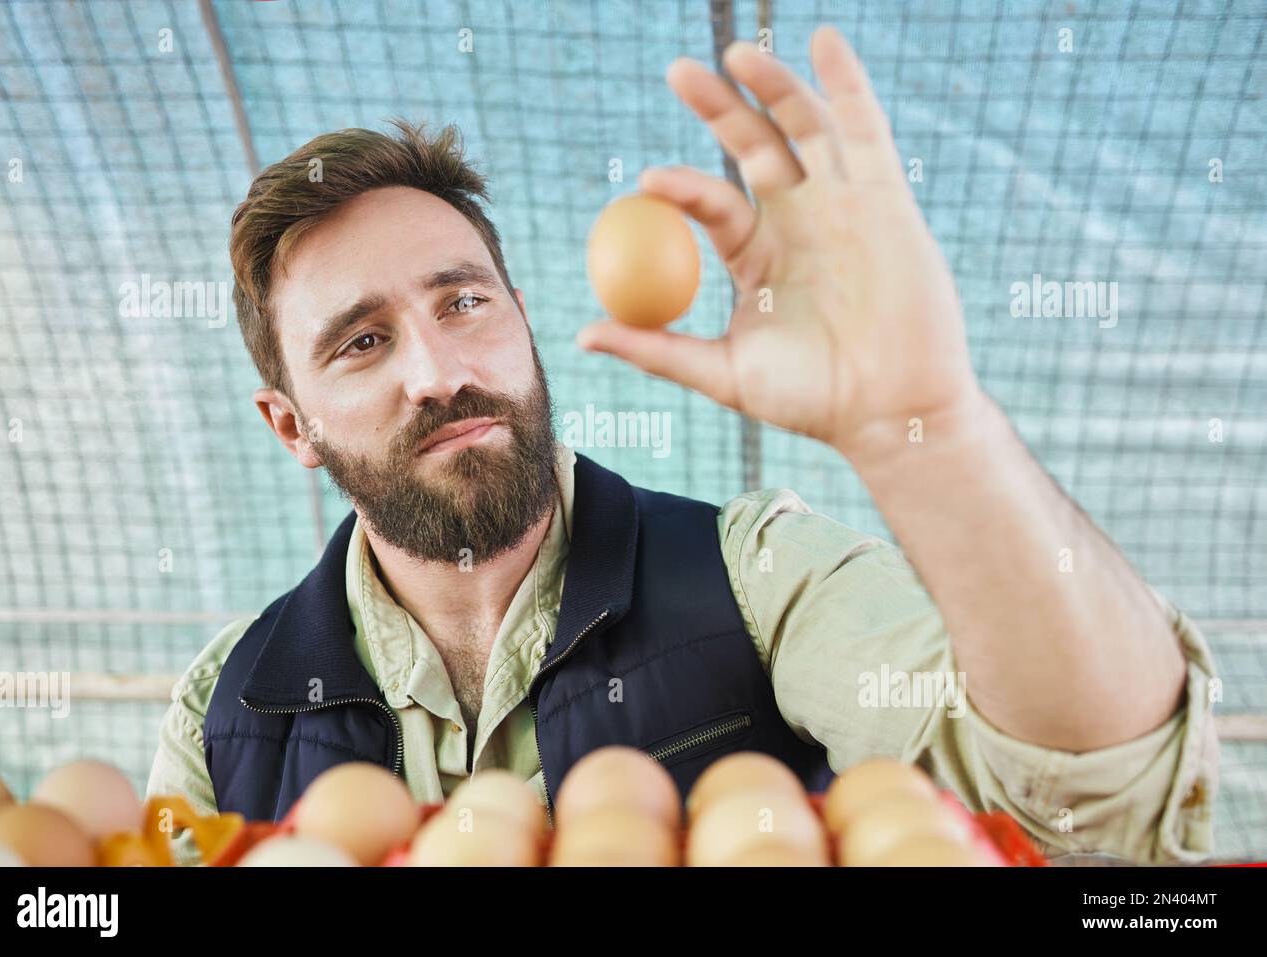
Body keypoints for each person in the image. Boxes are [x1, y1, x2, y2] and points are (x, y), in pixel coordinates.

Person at [148, 26, 1218, 864]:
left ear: (520, 315)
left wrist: (933, 427)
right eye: (364, 341)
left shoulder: (754, 583)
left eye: (462, 302)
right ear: (290, 426)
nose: (438, 371)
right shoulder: (224, 708)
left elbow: (1094, 812)